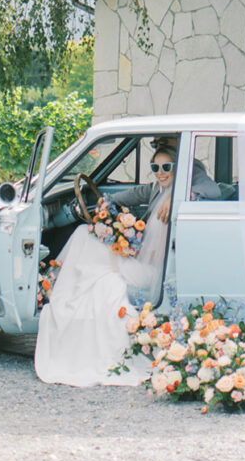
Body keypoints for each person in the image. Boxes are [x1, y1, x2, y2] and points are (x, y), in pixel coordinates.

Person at [33, 147, 176, 387]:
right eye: (155, 168)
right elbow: (126, 196)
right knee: (83, 235)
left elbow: (157, 253)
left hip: (150, 270)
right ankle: (60, 289)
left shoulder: (172, 200)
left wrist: (128, 250)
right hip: (141, 257)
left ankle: (60, 292)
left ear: (176, 168)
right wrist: (106, 211)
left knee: (84, 240)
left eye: (167, 167)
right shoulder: (157, 191)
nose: (160, 173)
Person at [150, 135, 221, 201]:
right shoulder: (160, 184)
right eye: (154, 144)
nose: (158, 146)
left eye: (163, 142)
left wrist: (178, 198)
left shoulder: (189, 166)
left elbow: (212, 189)